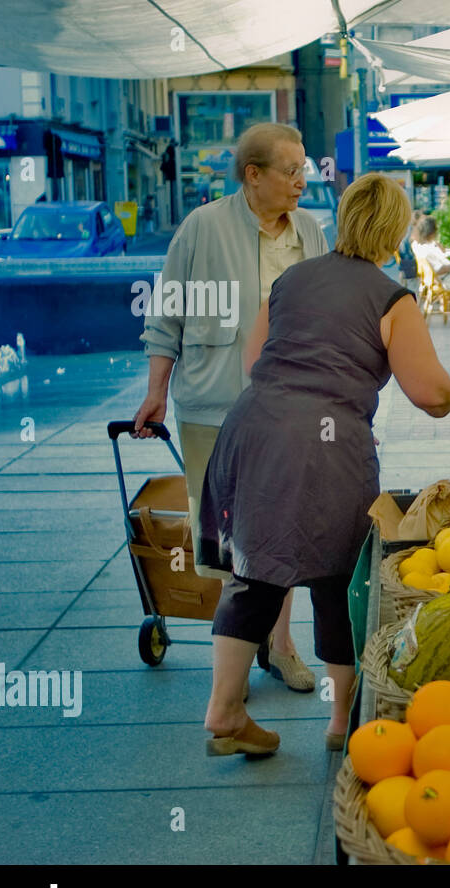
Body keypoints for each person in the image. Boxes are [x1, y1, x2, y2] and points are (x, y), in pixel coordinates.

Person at [200, 172, 450, 757]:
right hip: (324, 448)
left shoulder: (291, 279)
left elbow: (254, 363)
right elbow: (426, 392)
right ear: (396, 229)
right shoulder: (391, 296)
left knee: (255, 572)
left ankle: (224, 710)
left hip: (252, 430)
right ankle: (340, 720)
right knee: (337, 577)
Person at [134, 122, 328, 695]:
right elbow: (166, 313)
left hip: (288, 406)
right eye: (290, 171)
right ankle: (237, 658)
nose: (301, 181)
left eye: (304, 170)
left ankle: (282, 643)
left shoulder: (309, 231)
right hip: (213, 405)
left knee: (284, 527)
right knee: (222, 536)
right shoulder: (203, 227)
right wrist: (155, 391)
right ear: (254, 175)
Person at [413, 216, 450, 293]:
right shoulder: (428, 250)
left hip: (442, 277)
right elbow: (439, 269)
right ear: (432, 232)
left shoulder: (421, 246)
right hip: (446, 278)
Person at [397, 211, 423, 294]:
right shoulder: (414, 231)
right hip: (410, 262)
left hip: (404, 260)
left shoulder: (407, 228)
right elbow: (416, 244)